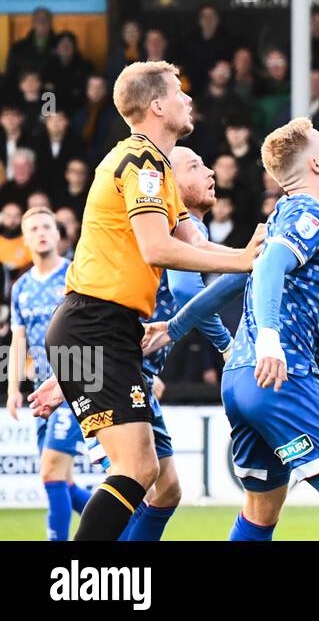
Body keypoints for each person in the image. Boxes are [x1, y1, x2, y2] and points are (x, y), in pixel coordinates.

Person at [39, 61, 261, 540]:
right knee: (138, 471)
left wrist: (252, 254)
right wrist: (245, 263)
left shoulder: (153, 164)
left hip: (101, 327)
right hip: (94, 324)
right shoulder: (141, 162)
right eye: (179, 93)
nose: (187, 101)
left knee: (152, 479)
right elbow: (158, 249)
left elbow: (194, 244)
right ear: (157, 105)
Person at [218, 118, 319, 540]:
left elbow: (240, 275)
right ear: (316, 163)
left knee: (261, 508)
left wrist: (175, 328)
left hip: (240, 378)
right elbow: (268, 267)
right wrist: (270, 338)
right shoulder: (310, 215)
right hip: (280, 372)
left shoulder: (279, 217)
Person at [109, 146, 235, 541]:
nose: (210, 171)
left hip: (127, 366)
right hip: (119, 365)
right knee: (136, 481)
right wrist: (226, 346)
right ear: (170, 183)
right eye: (196, 166)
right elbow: (184, 289)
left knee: (164, 490)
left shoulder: (187, 227)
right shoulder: (183, 227)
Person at [5, 207, 92, 540]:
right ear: (25, 239)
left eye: (46, 227)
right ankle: (124, 526)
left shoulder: (76, 275)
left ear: (58, 234)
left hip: (79, 383)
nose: (41, 233)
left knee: (51, 473)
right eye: (34, 229)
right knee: (63, 481)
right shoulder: (21, 287)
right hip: (43, 392)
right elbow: (18, 342)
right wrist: (13, 388)